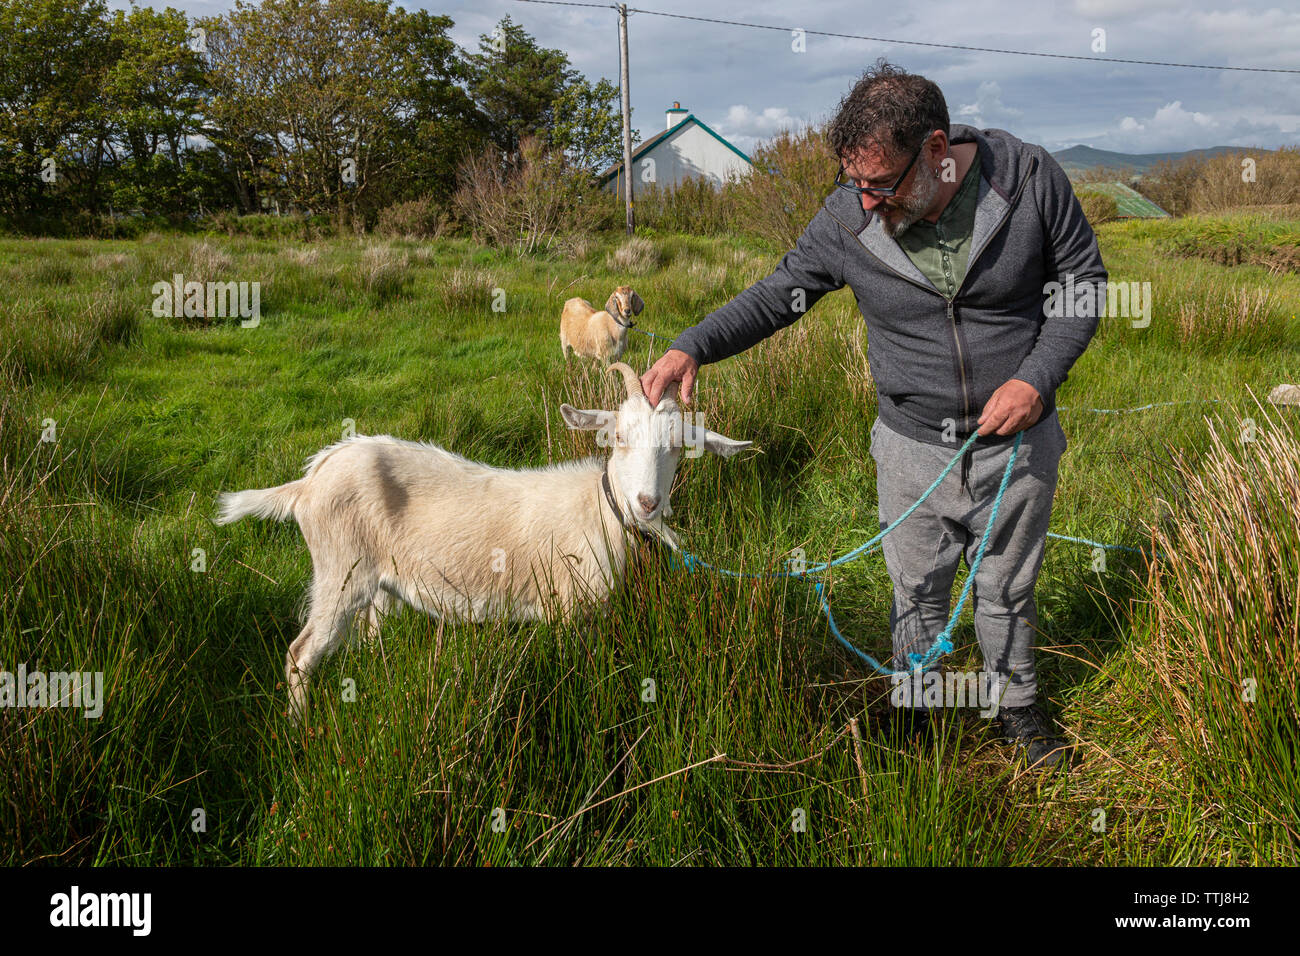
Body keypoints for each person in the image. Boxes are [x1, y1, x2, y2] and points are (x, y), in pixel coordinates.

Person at [640, 60, 1106, 770]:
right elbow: (780, 293)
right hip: (910, 441)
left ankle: (1016, 713)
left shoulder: (1031, 180)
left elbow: (1083, 285)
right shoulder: (848, 216)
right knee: (915, 588)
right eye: (852, 184)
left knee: (1006, 586)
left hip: (1018, 443)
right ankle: (917, 710)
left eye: (882, 185)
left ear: (937, 151)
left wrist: (1036, 382)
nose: (865, 203)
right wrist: (692, 345)